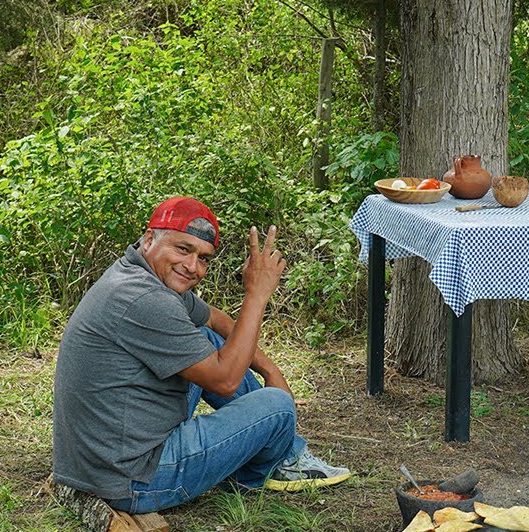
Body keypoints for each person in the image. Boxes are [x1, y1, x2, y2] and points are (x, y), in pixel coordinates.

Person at [52, 196, 351, 514]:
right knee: (277, 408)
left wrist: (271, 371)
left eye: (204, 258)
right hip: (132, 479)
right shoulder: (146, 299)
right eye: (182, 249)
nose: (193, 267)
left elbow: (215, 321)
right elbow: (224, 381)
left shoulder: (138, 273)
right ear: (150, 238)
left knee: (206, 337)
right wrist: (258, 293)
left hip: (106, 460)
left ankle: (286, 452)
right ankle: (252, 471)